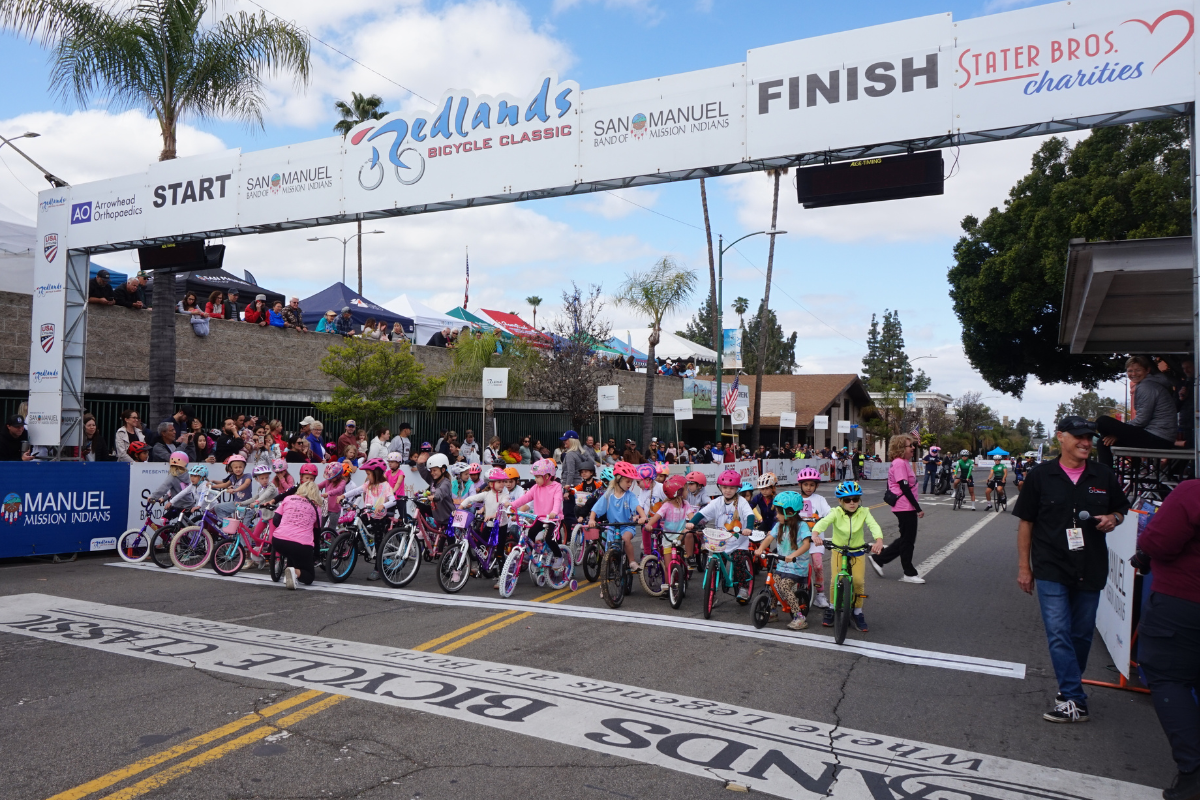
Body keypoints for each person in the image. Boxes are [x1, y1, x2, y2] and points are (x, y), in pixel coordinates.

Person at [1013, 415, 1128, 724]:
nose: (1086, 442)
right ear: (1061, 437)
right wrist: (1025, 568)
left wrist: (1114, 519)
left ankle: (1068, 692)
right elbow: (1026, 523)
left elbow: (1121, 509)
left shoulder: (1103, 475)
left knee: (1081, 635)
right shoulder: (1040, 476)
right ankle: (1075, 698)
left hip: (1091, 566)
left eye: (1089, 437)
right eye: (1079, 437)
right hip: (1051, 566)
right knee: (1059, 632)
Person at [1135, 479, 1200, 800]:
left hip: (1184, 601)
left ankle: (1194, 771)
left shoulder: (1192, 492)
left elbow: (1158, 542)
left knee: (1167, 676)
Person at [811, 481, 885, 633]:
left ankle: (857, 611)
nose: (852, 503)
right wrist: (815, 534)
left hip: (857, 550)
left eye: (855, 499)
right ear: (840, 501)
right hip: (839, 550)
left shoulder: (864, 512)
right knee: (835, 580)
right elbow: (823, 522)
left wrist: (879, 540)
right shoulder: (835, 512)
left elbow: (873, 525)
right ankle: (832, 607)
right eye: (847, 500)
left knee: (858, 582)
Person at [1096, 355, 1181, 467]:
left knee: (1102, 421)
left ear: (1147, 370)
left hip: (1159, 438)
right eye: (1130, 371)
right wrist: (1118, 434)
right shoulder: (1149, 384)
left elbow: (1142, 420)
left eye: (1138, 370)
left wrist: (1118, 434)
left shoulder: (1147, 387)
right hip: (1161, 437)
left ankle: (1108, 477)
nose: (1134, 374)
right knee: (1103, 442)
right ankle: (1115, 472)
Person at [686, 469, 755, 600]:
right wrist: (692, 523)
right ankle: (712, 590)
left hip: (739, 541)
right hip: (722, 541)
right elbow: (702, 513)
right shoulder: (717, 501)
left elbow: (749, 515)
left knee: (739, 560)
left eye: (731, 488)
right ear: (720, 487)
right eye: (724, 487)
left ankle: (743, 587)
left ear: (737, 489)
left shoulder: (741, 502)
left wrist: (749, 528)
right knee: (716, 562)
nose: (727, 491)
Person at [754, 491, 813, 630]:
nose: (777, 515)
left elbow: (806, 545)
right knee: (773, 584)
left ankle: (799, 617)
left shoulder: (802, 526)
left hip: (797, 566)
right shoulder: (779, 525)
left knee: (784, 586)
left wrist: (793, 555)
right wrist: (760, 548)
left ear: (790, 513)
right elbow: (769, 538)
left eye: (779, 513)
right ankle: (773, 611)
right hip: (782, 565)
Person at [871, 434, 925, 584]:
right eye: (910, 446)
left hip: (905, 506)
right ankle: (909, 572)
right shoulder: (900, 463)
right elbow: (904, 487)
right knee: (908, 541)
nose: (913, 448)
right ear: (901, 448)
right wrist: (917, 508)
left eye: (913, 445)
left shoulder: (903, 462)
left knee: (906, 538)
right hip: (904, 506)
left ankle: (879, 559)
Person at [589, 461, 645, 575]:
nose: (630, 484)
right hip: (612, 528)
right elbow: (596, 508)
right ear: (618, 479)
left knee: (625, 539)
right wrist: (591, 519)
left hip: (627, 527)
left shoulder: (630, 495)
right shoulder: (608, 494)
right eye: (628, 481)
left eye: (631, 482)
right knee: (609, 552)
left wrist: (643, 516)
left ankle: (632, 562)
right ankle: (608, 571)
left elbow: (637, 506)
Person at [510, 459, 567, 569]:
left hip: (553, 519)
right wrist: (513, 505)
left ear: (547, 476)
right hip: (540, 518)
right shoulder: (536, 487)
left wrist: (554, 512)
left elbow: (557, 500)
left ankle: (559, 556)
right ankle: (529, 554)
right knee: (531, 533)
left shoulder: (556, 487)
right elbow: (525, 498)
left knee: (549, 539)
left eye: (537, 477)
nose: (535, 479)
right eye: (535, 477)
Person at [276, 480, 325, 590]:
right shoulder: (316, 507)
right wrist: (316, 553)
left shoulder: (288, 498)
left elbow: (276, 520)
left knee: (290, 551)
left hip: (278, 540)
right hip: (301, 544)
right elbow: (317, 532)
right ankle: (295, 572)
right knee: (309, 576)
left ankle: (289, 570)